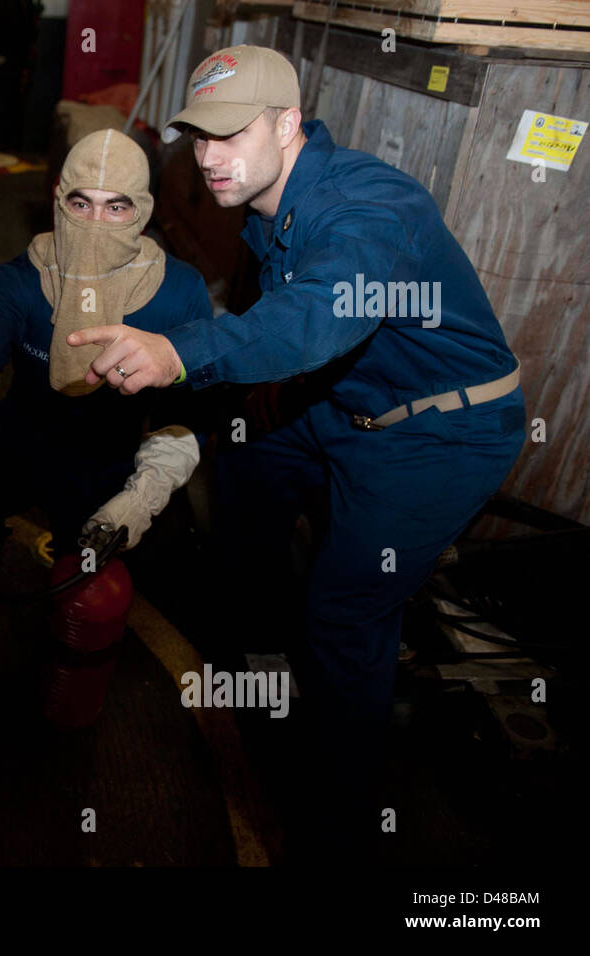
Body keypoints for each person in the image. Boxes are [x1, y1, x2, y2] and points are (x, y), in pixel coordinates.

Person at [67, 45, 526, 854]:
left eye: (228, 135)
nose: (208, 157)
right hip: (344, 402)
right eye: (197, 137)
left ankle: (339, 825)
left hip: (435, 433)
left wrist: (178, 354)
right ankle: (261, 662)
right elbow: (291, 338)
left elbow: (315, 319)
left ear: (286, 125)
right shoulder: (262, 201)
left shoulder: (368, 210)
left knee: (346, 615)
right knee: (246, 460)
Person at [0, 128, 212, 683]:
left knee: (119, 569)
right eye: (81, 204)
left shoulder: (180, 295)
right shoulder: (24, 277)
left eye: (115, 206)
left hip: (109, 457)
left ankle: (74, 669)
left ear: (142, 212)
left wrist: (142, 498)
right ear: (58, 202)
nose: (94, 224)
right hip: (18, 440)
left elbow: (186, 417)